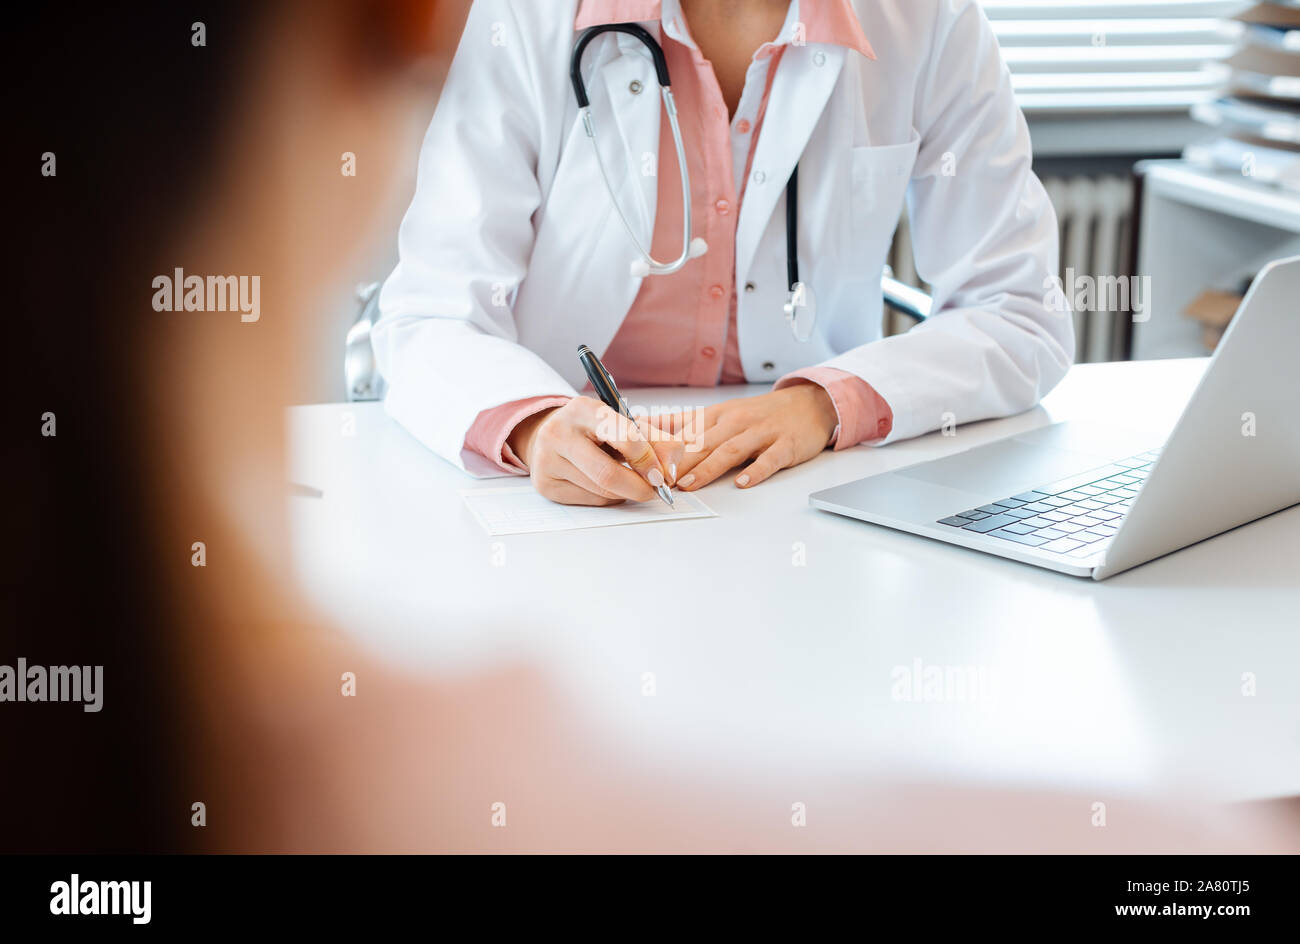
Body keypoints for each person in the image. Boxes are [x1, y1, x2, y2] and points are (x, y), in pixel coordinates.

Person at [372, 0, 1074, 506]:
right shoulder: (525, 17)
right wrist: (532, 424)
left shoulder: (930, 21)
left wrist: (823, 406)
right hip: (572, 502)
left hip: (806, 489)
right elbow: (430, 317)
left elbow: (1020, 313)